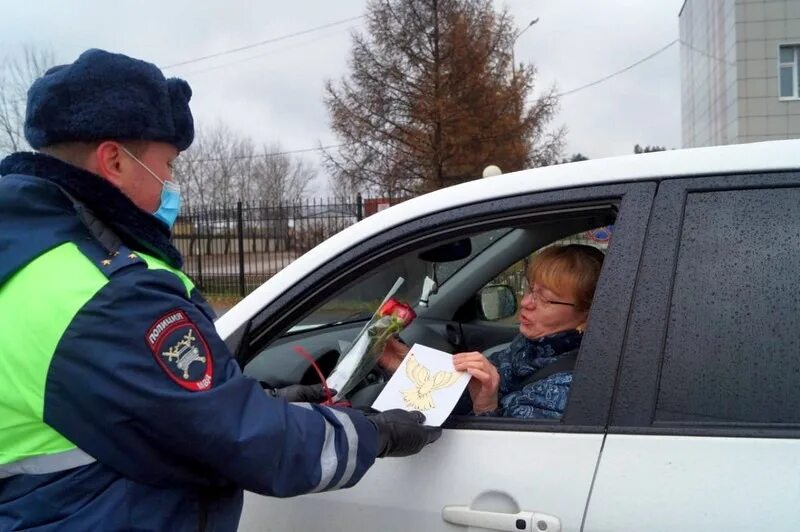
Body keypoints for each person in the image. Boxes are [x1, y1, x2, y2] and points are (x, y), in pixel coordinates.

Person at [0, 49, 440, 532]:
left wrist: (270, 399)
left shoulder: (28, 260)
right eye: (167, 164)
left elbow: (137, 410)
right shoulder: (108, 292)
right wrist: (376, 434)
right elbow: (240, 441)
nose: (171, 182)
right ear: (115, 161)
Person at [380, 244, 604, 419]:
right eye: (530, 289)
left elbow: (511, 454)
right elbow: (463, 392)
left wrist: (486, 407)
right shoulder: (527, 346)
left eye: (545, 299)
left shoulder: (570, 387)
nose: (525, 302)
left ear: (587, 314)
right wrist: (405, 366)